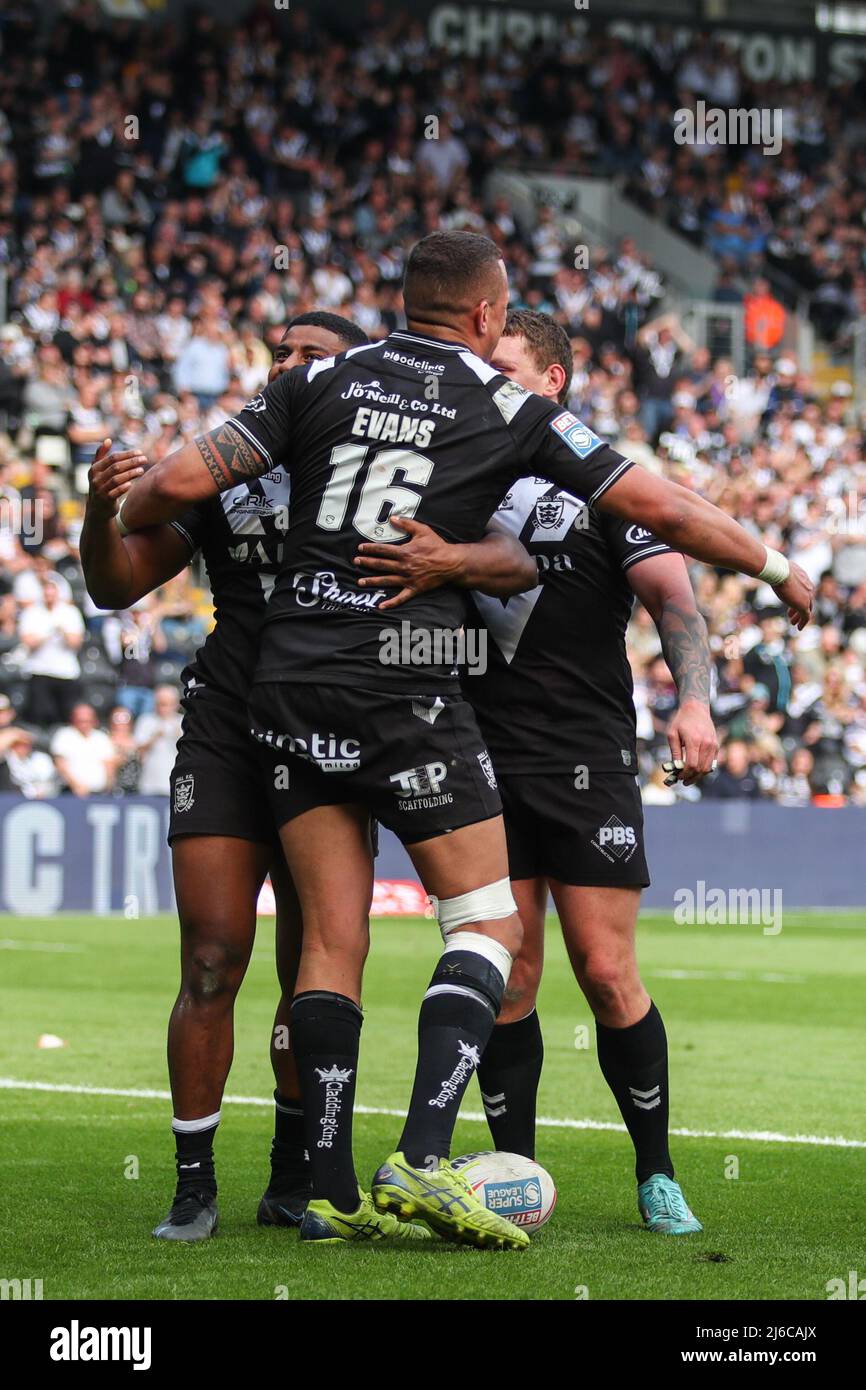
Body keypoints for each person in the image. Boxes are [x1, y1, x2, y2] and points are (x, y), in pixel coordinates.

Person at [115, 230, 813, 1251]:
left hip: (287, 687)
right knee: (486, 924)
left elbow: (178, 484)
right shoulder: (500, 401)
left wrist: (123, 501)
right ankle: (423, 1153)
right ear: (487, 316)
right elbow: (657, 503)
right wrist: (773, 564)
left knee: (328, 941)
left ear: (405, 299)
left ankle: (324, 1192)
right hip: (402, 689)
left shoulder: (321, 378)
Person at [356, 310, 718, 1234]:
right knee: (509, 973)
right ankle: (514, 1166)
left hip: (586, 756)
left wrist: (696, 701)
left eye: (505, 367)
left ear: (552, 380)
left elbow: (675, 596)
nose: (486, 378)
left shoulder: (606, 480)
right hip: (476, 752)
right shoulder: (457, 471)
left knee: (604, 968)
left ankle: (658, 1173)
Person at [81, 313, 379, 1243]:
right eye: (280, 354)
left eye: (311, 356)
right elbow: (118, 585)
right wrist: (99, 508)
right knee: (212, 959)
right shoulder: (224, 466)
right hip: (225, 729)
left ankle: (296, 1180)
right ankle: (193, 1184)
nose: (287, 366)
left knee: (312, 971)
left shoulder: (383, 473)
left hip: (330, 729)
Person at [51, 703, 115, 797]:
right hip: (71, 793)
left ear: (94, 721)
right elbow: (60, 764)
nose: (84, 724)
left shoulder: (102, 738)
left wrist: (108, 786)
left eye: (88, 721)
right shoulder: (64, 735)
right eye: (81, 721)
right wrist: (76, 786)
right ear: (73, 720)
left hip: (99, 793)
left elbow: (109, 764)